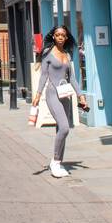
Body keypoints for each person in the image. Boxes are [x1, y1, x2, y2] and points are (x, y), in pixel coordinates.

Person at [31, 24, 88, 178]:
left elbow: (73, 78)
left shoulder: (68, 55)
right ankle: (55, 162)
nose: (60, 37)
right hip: (52, 94)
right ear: (54, 37)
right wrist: (37, 94)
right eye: (57, 35)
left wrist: (80, 96)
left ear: (66, 37)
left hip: (65, 95)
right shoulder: (48, 54)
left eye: (63, 35)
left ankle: (58, 162)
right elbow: (43, 76)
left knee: (61, 129)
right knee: (64, 128)